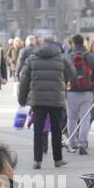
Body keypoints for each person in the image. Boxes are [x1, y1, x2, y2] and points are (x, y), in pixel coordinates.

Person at [18, 34, 72, 169]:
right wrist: (62, 79)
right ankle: (58, 159)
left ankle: (37, 160)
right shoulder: (62, 57)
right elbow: (71, 73)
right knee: (56, 129)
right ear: (55, 43)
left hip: (37, 99)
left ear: (41, 43)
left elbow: (24, 79)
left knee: (38, 129)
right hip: (56, 99)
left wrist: (22, 99)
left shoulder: (32, 57)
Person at [64, 33, 94, 155]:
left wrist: (64, 90)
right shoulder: (91, 57)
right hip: (87, 92)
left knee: (71, 118)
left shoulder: (68, 57)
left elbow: (63, 75)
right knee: (85, 118)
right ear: (83, 43)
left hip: (71, 92)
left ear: (73, 43)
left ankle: (72, 143)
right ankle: (82, 144)